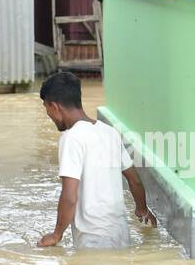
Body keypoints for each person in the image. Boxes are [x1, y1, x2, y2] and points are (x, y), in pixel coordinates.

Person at [38, 71, 158, 249]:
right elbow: (135, 180)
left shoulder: (71, 138)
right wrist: (142, 210)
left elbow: (70, 196)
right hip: (120, 233)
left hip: (92, 238)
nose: (49, 116)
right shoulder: (110, 132)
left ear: (55, 106)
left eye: (47, 109)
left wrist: (56, 235)